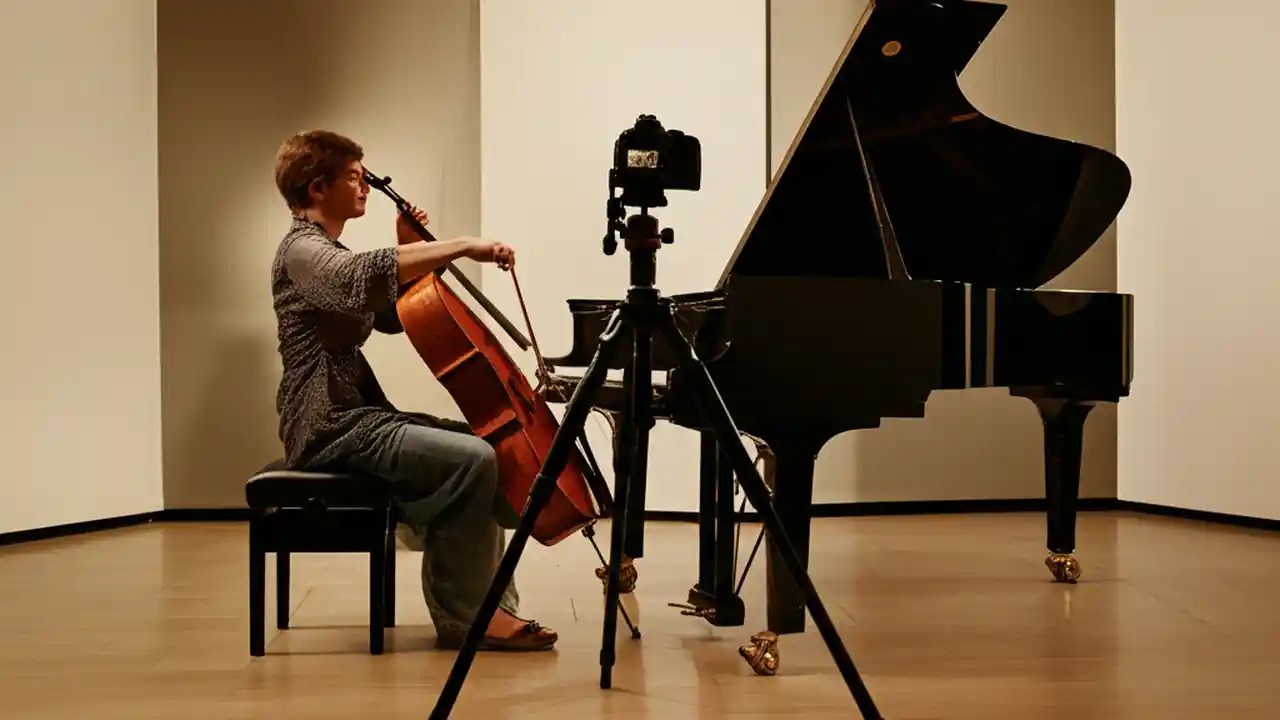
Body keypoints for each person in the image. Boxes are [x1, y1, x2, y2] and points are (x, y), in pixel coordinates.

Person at [269, 129, 556, 651]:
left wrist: (416, 251)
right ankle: (468, 618)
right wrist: (466, 246)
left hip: (358, 417)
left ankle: (489, 605)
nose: (366, 189)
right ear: (317, 188)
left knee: (483, 448)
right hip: (326, 425)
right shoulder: (302, 252)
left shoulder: (326, 251)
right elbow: (356, 273)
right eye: (355, 178)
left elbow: (390, 318)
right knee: (471, 459)